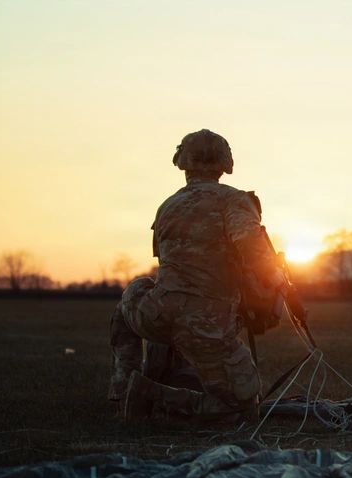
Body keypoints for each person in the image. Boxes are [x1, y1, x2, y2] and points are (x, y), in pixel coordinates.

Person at [108, 129, 283, 422]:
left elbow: (165, 262)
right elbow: (254, 251)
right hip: (207, 327)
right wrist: (277, 278)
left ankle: (122, 391)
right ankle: (152, 397)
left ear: (183, 163)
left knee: (128, 303)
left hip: (157, 313)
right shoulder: (235, 201)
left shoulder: (167, 206)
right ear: (224, 164)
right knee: (242, 409)